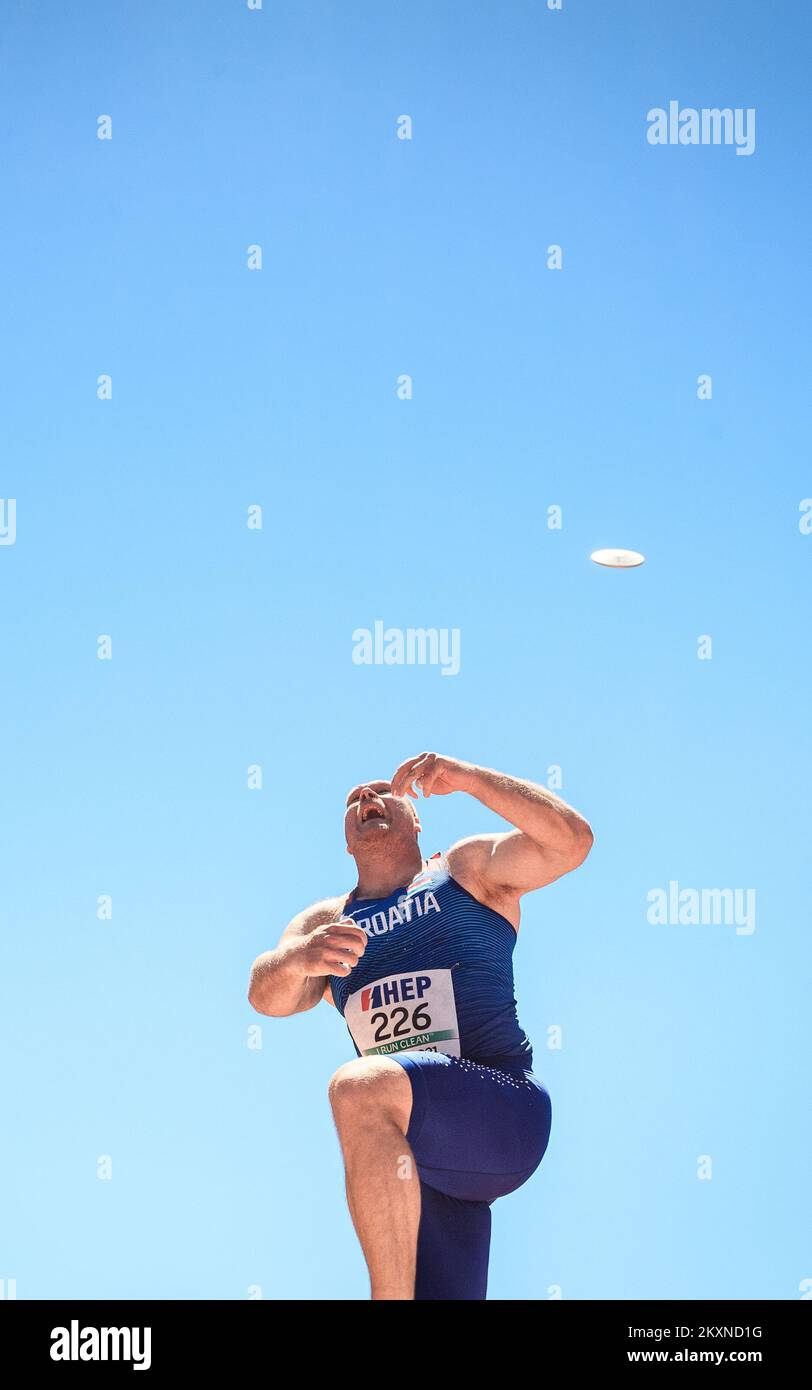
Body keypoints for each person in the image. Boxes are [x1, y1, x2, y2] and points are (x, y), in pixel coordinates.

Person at [248, 751, 593, 1300]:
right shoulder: (324, 923)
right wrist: (297, 961)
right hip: (418, 1164)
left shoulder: (466, 871)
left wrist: (471, 779)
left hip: (503, 1113)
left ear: (415, 819)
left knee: (358, 1087)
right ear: (345, 841)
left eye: (381, 792)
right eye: (352, 800)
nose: (365, 799)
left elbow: (570, 842)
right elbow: (266, 999)